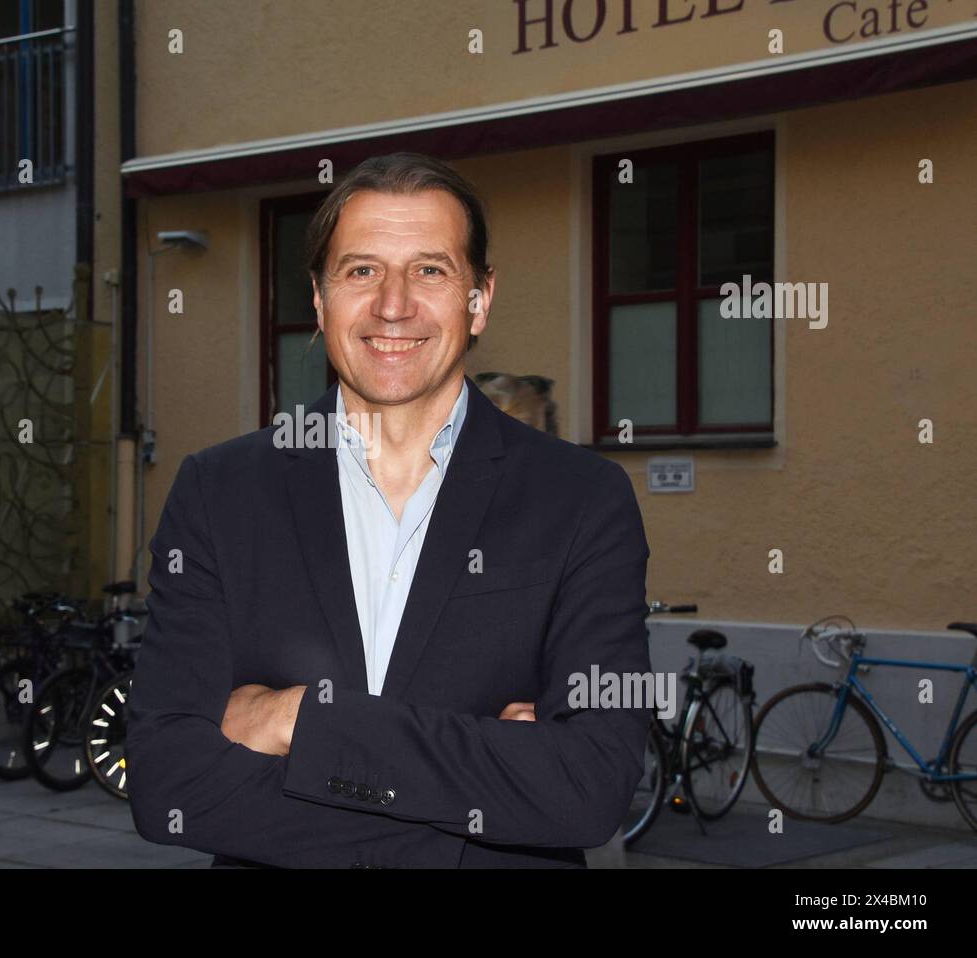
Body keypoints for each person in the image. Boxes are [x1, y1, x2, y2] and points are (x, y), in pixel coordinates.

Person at [125, 152, 652, 868]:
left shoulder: (581, 499)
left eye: (431, 270)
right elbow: (168, 784)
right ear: (319, 298)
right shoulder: (220, 493)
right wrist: (481, 793)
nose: (394, 305)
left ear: (480, 298)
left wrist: (297, 719)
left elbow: (589, 788)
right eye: (361, 270)